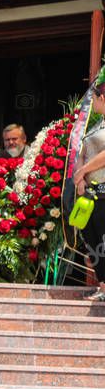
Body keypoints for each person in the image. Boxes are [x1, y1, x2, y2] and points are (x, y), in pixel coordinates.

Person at [73, 70, 105, 300]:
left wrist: (84, 170)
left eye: (93, 98)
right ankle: (103, 287)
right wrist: (79, 178)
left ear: (102, 97)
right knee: (93, 243)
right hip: (90, 194)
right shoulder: (97, 124)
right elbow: (84, 150)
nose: (91, 103)